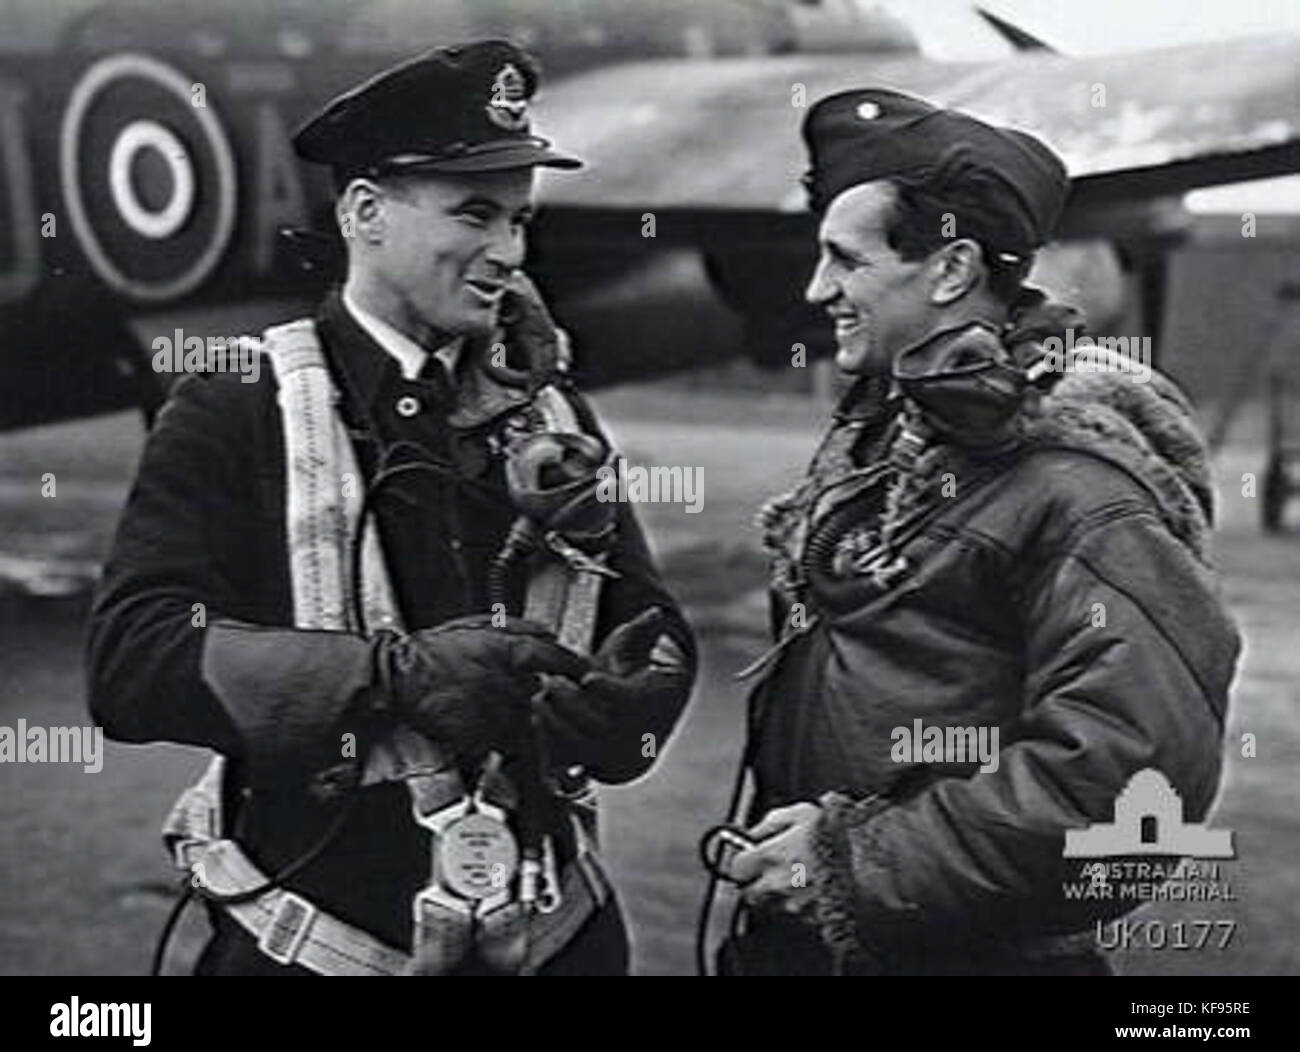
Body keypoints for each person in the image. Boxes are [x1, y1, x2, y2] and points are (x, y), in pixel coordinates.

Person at [86, 39, 695, 976]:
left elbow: (647, 628)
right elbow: (132, 663)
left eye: (521, 222)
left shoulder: (555, 411)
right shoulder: (237, 404)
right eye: (476, 215)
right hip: (312, 947)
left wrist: (630, 705)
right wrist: (388, 678)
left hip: (553, 936)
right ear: (366, 213)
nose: (509, 254)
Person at [723, 89, 1240, 975]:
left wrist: (855, 864)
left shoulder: (1078, 486)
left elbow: (1126, 780)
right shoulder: (899, 430)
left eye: (845, 260)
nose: (817, 291)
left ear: (953, 270)